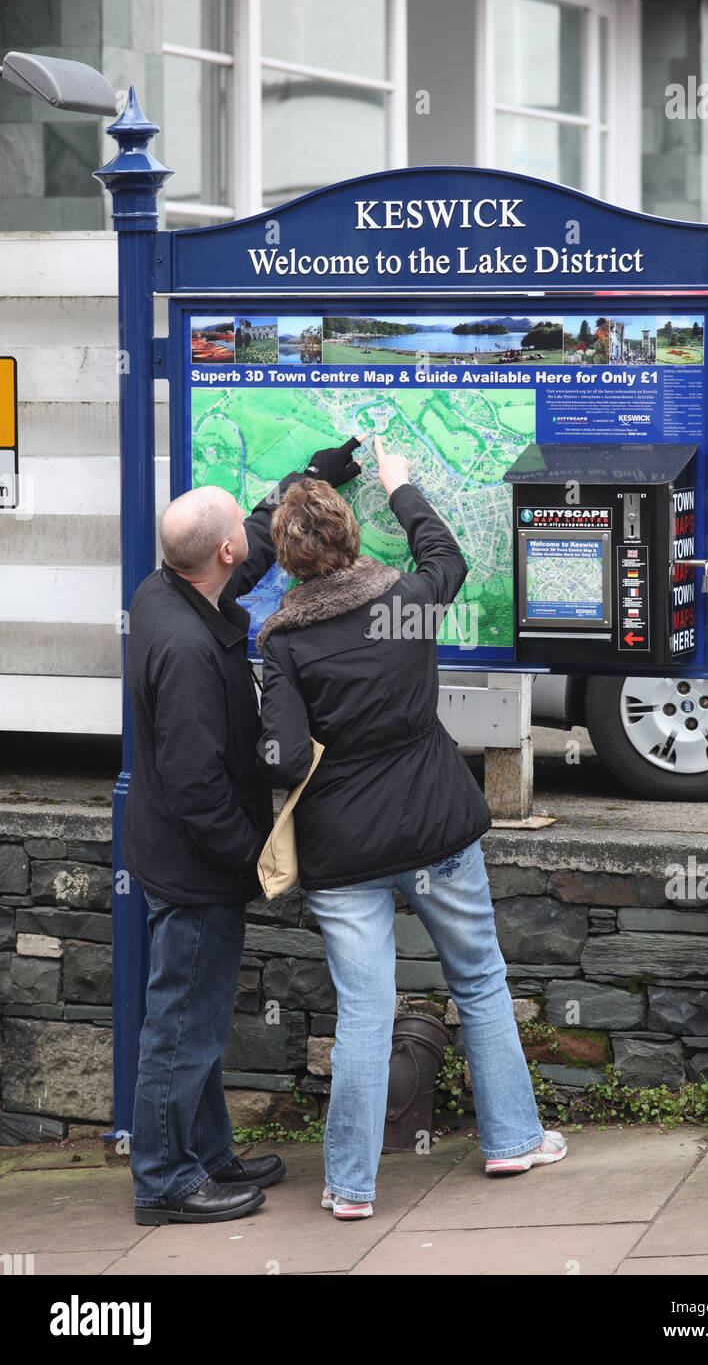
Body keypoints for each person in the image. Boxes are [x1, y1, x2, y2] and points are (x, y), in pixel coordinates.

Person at [256, 436, 566, 1219]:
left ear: (287, 563)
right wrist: (401, 486)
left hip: (342, 848)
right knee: (480, 981)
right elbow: (446, 557)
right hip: (435, 831)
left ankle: (352, 1188)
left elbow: (286, 758)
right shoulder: (402, 602)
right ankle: (512, 1141)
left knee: (363, 1012)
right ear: (353, 537)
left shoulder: (286, 644)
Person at [123, 439, 362, 1226]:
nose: (249, 545)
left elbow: (251, 544)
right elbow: (196, 787)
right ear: (221, 552)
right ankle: (164, 1181)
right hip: (197, 865)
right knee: (182, 1028)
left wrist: (315, 476)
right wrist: (253, 862)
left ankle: (207, 1154)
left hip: (173, 853)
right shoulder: (189, 650)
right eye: (239, 534)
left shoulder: (167, 589)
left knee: (199, 1018)